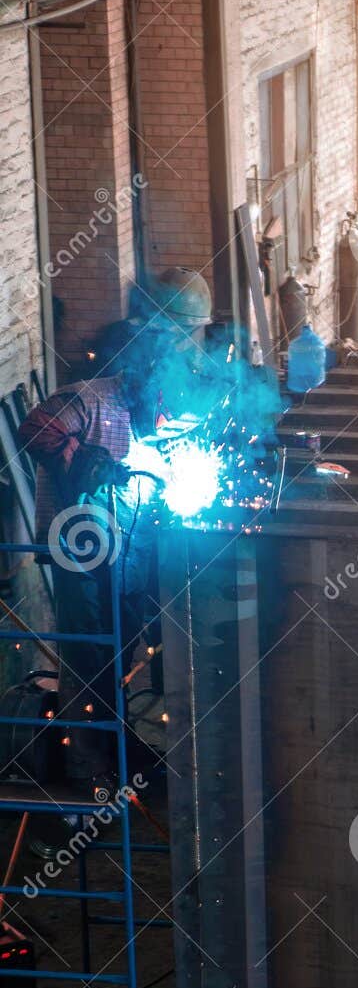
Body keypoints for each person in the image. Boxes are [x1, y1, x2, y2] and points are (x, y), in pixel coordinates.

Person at [16, 274, 212, 796]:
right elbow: (35, 427)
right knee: (88, 659)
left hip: (125, 558)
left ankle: (111, 749)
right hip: (81, 556)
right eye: (157, 409)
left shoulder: (153, 415)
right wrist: (95, 465)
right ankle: (85, 770)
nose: (161, 419)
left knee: (122, 657)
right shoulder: (90, 398)